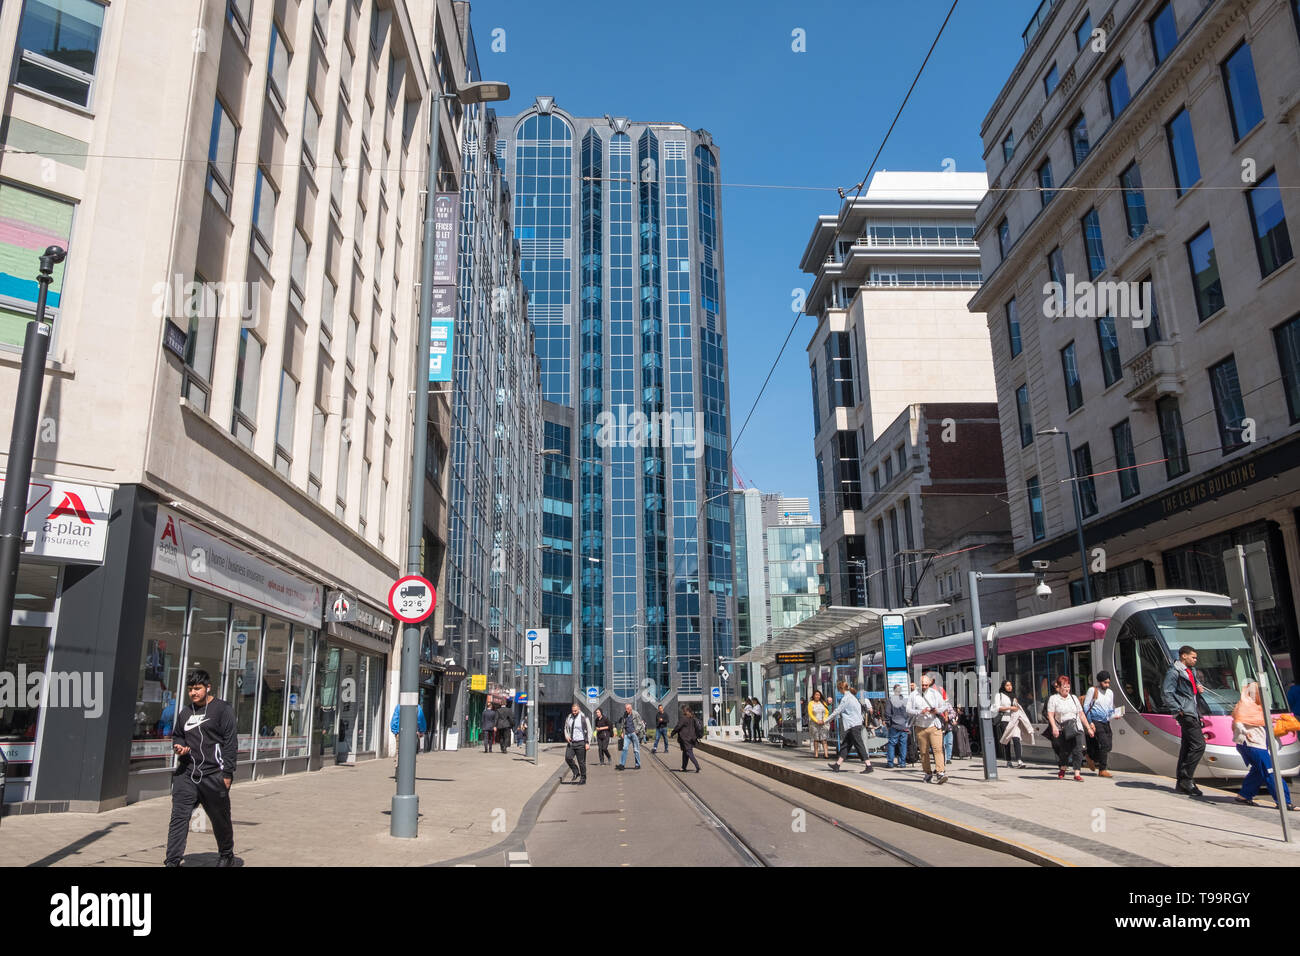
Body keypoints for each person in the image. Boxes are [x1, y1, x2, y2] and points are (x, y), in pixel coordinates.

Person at [165, 669, 238, 867]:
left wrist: (227, 773)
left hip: (213, 774)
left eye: (197, 689)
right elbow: (178, 734)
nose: (193, 693)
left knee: (220, 819)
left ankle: (226, 855)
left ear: (208, 687)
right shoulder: (185, 712)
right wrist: (179, 746)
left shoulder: (223, 710)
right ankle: (172, 860)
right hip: (187, 774)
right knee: (179, 818)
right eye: (190, 689)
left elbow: (230, 743)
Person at [1233, 681, 1296, 810]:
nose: (1262, 695)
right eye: (1259, 692)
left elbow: (1258, 720)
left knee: (1258, 770)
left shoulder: (1257, 706)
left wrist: (1272, 720)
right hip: (1252, 744)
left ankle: (1244, 795)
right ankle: (1284, 802)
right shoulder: (1245, 705)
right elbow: (1238, 721)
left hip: (1255, 744)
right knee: (1271, 771)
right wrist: (1246, 732)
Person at [1161, 645, 1206, 797]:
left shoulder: (1191, 671)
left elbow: (1192, 689)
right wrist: (1178, 708)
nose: (1195, 660)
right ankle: (1186, 779)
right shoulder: (1174, 672)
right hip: (1185, 713)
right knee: (1199, 745)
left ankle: (1182, 783)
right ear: (1183, 656)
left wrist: (1198, 686)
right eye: (1193, 657)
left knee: (1187, 747)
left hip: (1193, 711)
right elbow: (1167, 692)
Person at [1047, 675, 1094, 781]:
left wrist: (1088, 727)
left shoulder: (1073, 698)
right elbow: (1050, 714)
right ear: (1058, 687)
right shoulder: (1053, 699)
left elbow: (1081, 714)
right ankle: (1063, 768)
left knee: (1078, 750)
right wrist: (1054, 727)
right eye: (1064, 687)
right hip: (1063, 728)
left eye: (1068, 686)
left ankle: (1077, 773)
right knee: (1065, 751)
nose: (1067, 689)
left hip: (1077, 727)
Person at [907, 674, 952, 784]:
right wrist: (919, 711)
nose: (924, 687)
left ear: (929, 684)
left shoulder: (935, 693)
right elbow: (908, 709)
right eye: (922, 685)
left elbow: (945, 706)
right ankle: (928, 773)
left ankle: (940, 773)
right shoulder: (913, 695)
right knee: (923, 751)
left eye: (926, 685)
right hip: (920, 726)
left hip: (933, 725)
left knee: (938, 749)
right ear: (919, 684)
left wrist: (937, 710)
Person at [826, 680, 874, 774]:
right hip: (856, 724)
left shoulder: (846, 698)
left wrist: (825, 721)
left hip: (853, 725)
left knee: (859, 745)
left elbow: (837, 711)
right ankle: (837, 765)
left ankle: (869, 766)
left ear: (840, 689)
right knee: (846, 745)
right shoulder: (852, 697)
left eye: (838, 689)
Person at [1082, 672, 1116, 777]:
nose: (1107, 685)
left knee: (1108, 746)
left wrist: (1115, 714)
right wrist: (1090, 722)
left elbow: (1110, 708)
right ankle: (1102, 770)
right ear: (1100, 682)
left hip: (1106, 721)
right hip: (1096, 721)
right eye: (1105, 682)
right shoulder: (1092, 690)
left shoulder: (1110, 692)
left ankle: (1090, 756)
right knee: (1104, 744)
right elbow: (1086, 707)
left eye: (1108, 682)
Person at [994, 679, 1028, 769]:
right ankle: (1008, 761)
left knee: (1017, 739)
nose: (1009, 687)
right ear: (1003, 686)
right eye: (1007, 685)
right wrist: (1010, 708)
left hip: (1014, 719)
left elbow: (1016, 707)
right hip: (1004, 719)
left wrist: (1016, 707)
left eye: (1010, 685)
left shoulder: (1013, 695)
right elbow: (997, 708)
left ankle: (1019, 761)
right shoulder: (999, 695)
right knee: (1007, 741)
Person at [883, 684, 911, 768]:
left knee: (891, 744)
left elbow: (887, 713)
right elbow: (908, 713)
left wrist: (888, 723)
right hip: (904, 725)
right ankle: (902, 763)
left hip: (894, 725)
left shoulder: (890, 700)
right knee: (903, 744)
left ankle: (890, 763)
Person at [563, 703, 590, 785]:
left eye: (575, 711)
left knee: (581, 762)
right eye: (573, 711)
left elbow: (589, 731)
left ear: (579, 709)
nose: (574, 712)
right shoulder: (569, 717)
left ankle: (583, 778)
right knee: (568, 757)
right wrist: (567, 736)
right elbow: (566, 728)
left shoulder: (584, 718)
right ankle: (576, 771)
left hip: (581, 742)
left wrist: (587, 743)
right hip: (572, 742)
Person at [672, 705, 704, 772]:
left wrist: (672, 733)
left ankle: (697, 766)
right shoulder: (692, 717)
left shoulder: (684, 718)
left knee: (689, 753)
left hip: (685, 738)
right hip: (692, 738)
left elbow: (678, 726)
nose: (682, 711)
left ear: (685, 711)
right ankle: (684, 767)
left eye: (683, 710)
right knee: (685, 752)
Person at [616, 703, 644, 770]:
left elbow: (640, 723)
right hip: (627, 734)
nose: (626, 710)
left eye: (628, 709)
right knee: (624, 748)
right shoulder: (625, 714)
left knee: (636, 750)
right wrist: (622, 732)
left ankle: (638, 764)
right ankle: (622, 764)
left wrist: (636, 731)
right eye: (626, 708)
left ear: (631, 708)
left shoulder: (635, 714)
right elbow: (623, 723)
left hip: (634, 734)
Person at [807, 689, 832, 759]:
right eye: (816, 695)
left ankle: (826, 754)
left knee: (824, 739)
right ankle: (816, 754)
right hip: (814, 723)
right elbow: (810, 713)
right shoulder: (811, 703)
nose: (817, 696)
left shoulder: (823, 703)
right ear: (813, 696)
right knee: (816, 739)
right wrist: (816, 720)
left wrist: (823, 720)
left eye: (819, 695)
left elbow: (827, 712)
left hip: (823, 723)